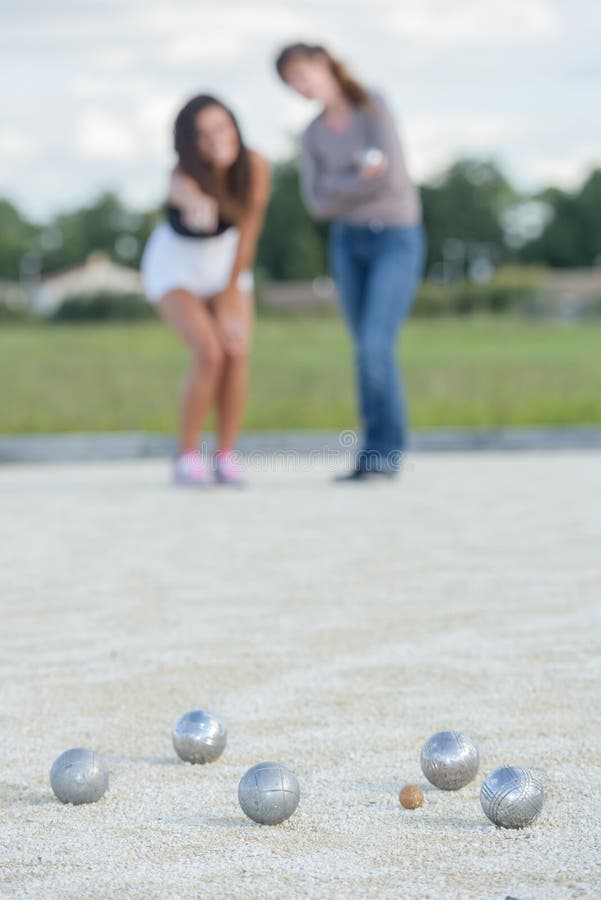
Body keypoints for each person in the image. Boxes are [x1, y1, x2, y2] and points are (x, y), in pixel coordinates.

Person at [275, 43, 425, 481]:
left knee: (377, 345)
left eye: (303, 74)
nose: (301, 87)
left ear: (325, 65)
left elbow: (393, 177)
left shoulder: (372, 106)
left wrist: (341, 184)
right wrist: (360, 177)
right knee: (364, 352)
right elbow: (316, 203)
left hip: (396, 238)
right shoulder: (313, 134)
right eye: (291, 83)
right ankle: (370, 456)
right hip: (348, 242)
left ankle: (386, 453)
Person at [140, 94, 270, 486]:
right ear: (188, 142)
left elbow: (250, 230)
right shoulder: (183, 174)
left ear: (234, 126)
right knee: (209, 352)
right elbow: (180, 191)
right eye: (202, 135)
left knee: (236, 349)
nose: (215, 139)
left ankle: (227, 454)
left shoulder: (256, 165)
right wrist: (195, 201)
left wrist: (231, 293)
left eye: (221, 128)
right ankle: (187, 454)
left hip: (227, 265)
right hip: (176, 268)